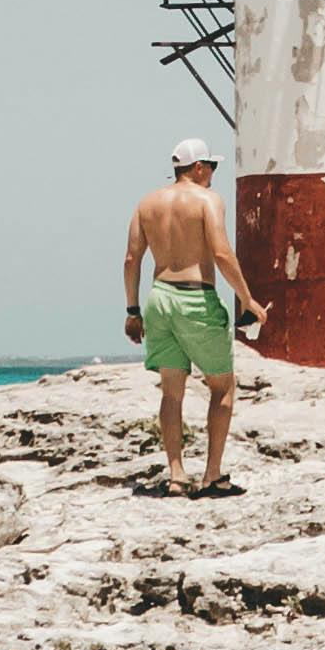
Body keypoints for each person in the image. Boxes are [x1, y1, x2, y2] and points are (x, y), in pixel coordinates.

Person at [124, 142, 263, 498]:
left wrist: (132, 311)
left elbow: (131, 259)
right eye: (212, 166)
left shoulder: (147, 203)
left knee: (172, 392)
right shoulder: (207, 200)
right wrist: (247, 300)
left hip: (159, 298)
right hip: (194, 296)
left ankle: (176, 476)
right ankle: (212, 476)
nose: (213, 173)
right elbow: (221, 253)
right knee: (223, 386)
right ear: (198, 167)